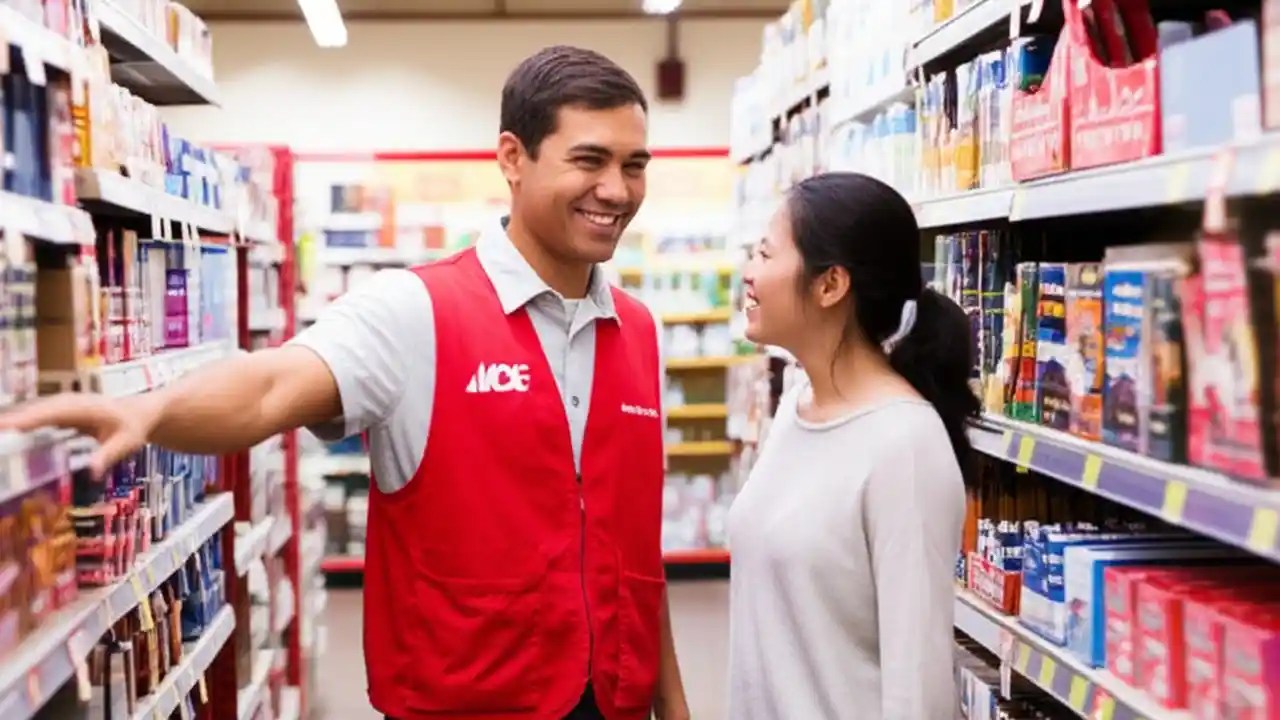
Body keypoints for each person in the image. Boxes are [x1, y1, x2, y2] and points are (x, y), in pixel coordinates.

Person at [0, 46, 689, 720]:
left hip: (612, 700)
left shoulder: (638, 331)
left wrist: (673, 703)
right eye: (590, 160)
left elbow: (632, 546)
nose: (617, 190)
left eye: (634, 166)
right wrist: (148, 413)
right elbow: (271, 388)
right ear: (512, 157)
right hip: (464, 703)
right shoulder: (416, 311)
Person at [728, 172, 979, 719]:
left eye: (766, 255)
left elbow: (919, 692)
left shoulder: (904, 445)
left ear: (830, 285)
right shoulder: (795, 408)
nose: (749, 273)